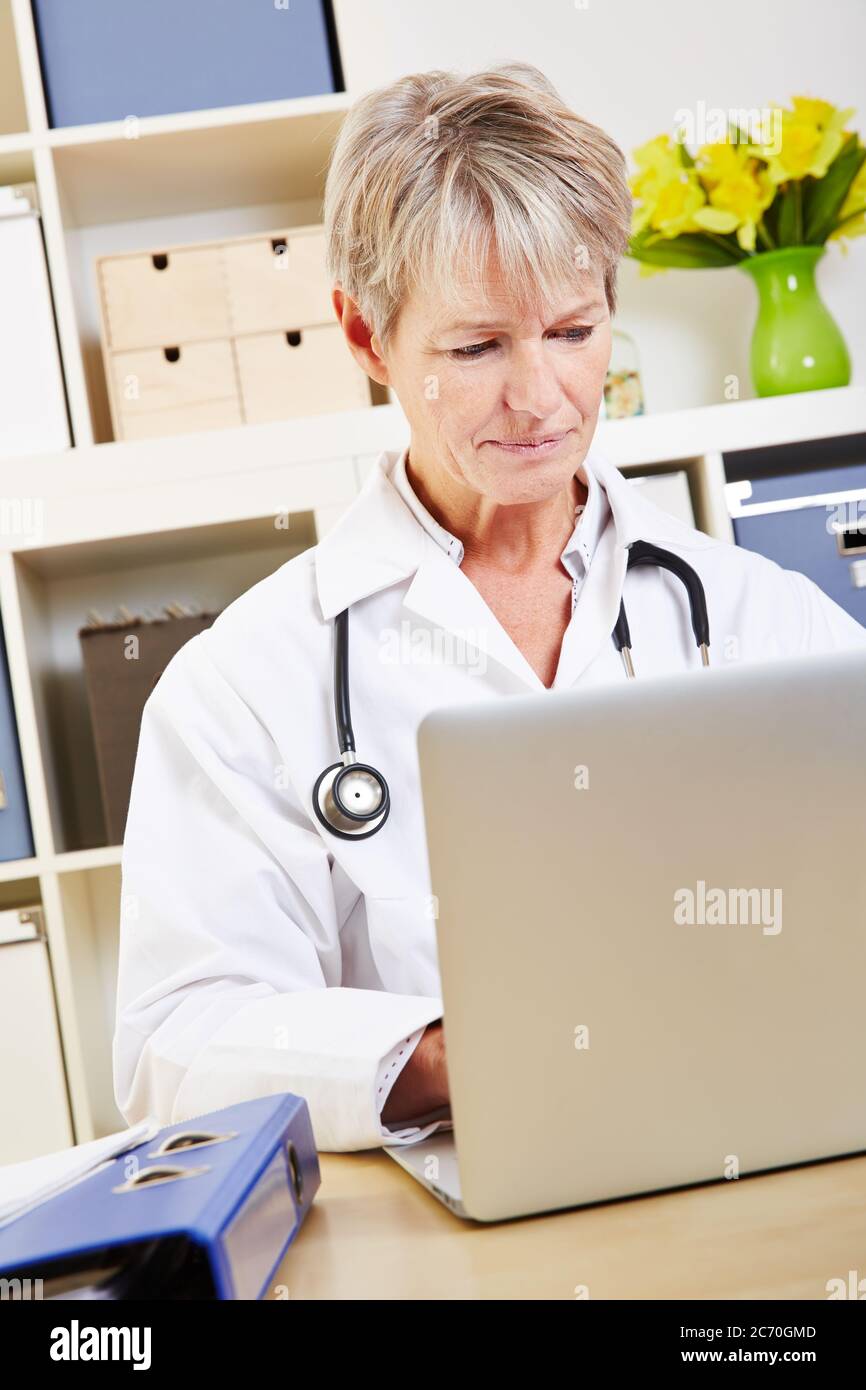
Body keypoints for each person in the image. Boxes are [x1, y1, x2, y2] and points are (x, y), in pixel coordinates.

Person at [113, 63, 866, 1152]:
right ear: (367, 340)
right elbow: (178, 1045)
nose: (539, 397)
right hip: (466, 1218)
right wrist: (452, 1055)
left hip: (765, 1159)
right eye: (474, 348)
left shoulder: (766, 620)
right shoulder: (245, 684)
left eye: (571, 331)